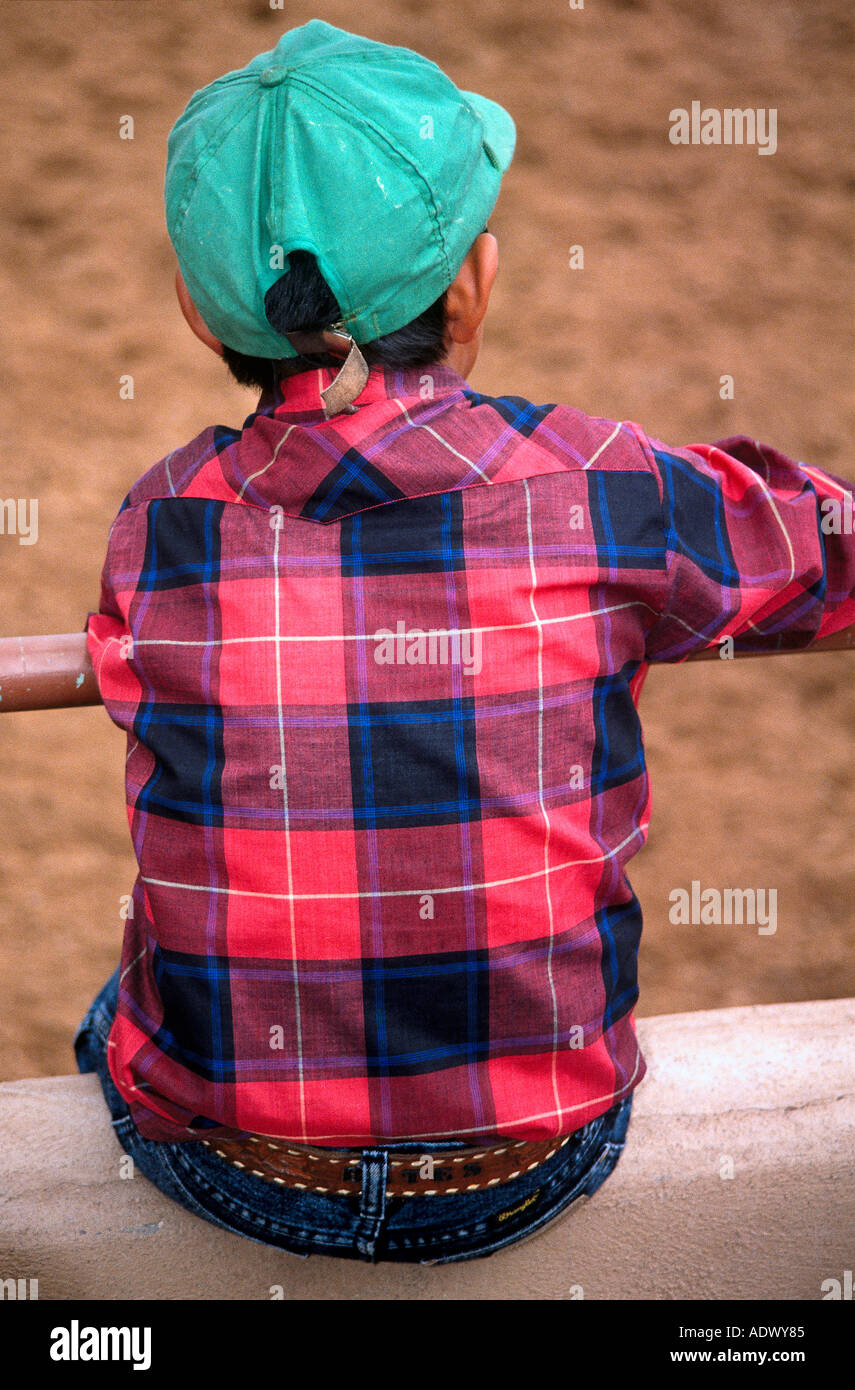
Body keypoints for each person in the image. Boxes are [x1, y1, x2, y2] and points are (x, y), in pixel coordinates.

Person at [77, 19, 855, 1265]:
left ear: (192, 307)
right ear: (475, 287)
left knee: (117, 1007)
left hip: (238, 1171)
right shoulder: (607, 482)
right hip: (532, 1158)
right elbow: (825, 552)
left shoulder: (159, 522)